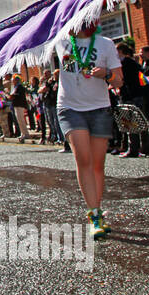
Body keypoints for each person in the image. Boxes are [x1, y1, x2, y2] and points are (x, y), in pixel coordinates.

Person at [52, 19, 122, 238]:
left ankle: (97, 208)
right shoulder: (60, 41)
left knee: (97, 163)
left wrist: (107, 74)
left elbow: (118, 81)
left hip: (100, 108)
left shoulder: (105, 43)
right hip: (70, 108)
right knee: (83, 158)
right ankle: (94, 215)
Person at [113, 41, 149, 157]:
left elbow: (122, 79)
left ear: (120, 51)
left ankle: (133, 148)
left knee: (131, 123)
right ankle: (145, 147)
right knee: (141, 122)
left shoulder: (125, 63)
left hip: (130, 95)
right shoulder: (133, 62)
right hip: (136, 94)